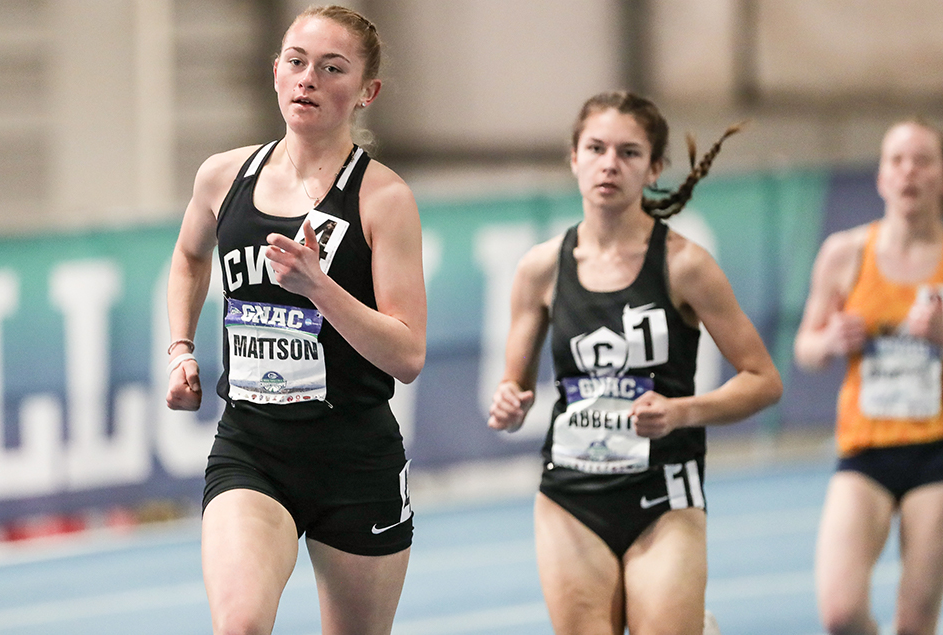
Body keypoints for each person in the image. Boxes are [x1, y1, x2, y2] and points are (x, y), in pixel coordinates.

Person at [164, 6, 426, 634]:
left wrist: (319, 288)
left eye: (332, 68)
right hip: (253, 449)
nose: (308, 78)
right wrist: (180, 348)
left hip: (354, 459)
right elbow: (189, 257)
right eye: (296, 62)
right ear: (276, 72)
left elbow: (407, 355)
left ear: (366, 92)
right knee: (241, 625)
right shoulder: (222, 177)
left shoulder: (384, 199)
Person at [487, 91, 783, 634]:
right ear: (574, 158)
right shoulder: (540, 269)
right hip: (571, 494)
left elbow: (763, 381)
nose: (610, 164)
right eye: (596, 148)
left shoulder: (686, 266)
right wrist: (510, 399)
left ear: (654, 169)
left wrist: (680, 412)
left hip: (665, 493)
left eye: (628, 153)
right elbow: (517, 379)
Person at [795, 118, 943, 635]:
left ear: (941, 174)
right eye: (896, 161)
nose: (909, 172)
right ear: (881, 176)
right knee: (841, 613)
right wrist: (830, 340)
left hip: (937, 453)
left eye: (922, 160)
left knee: (916, 622)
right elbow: (805, 348)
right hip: (865, 451)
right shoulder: (847, 254)